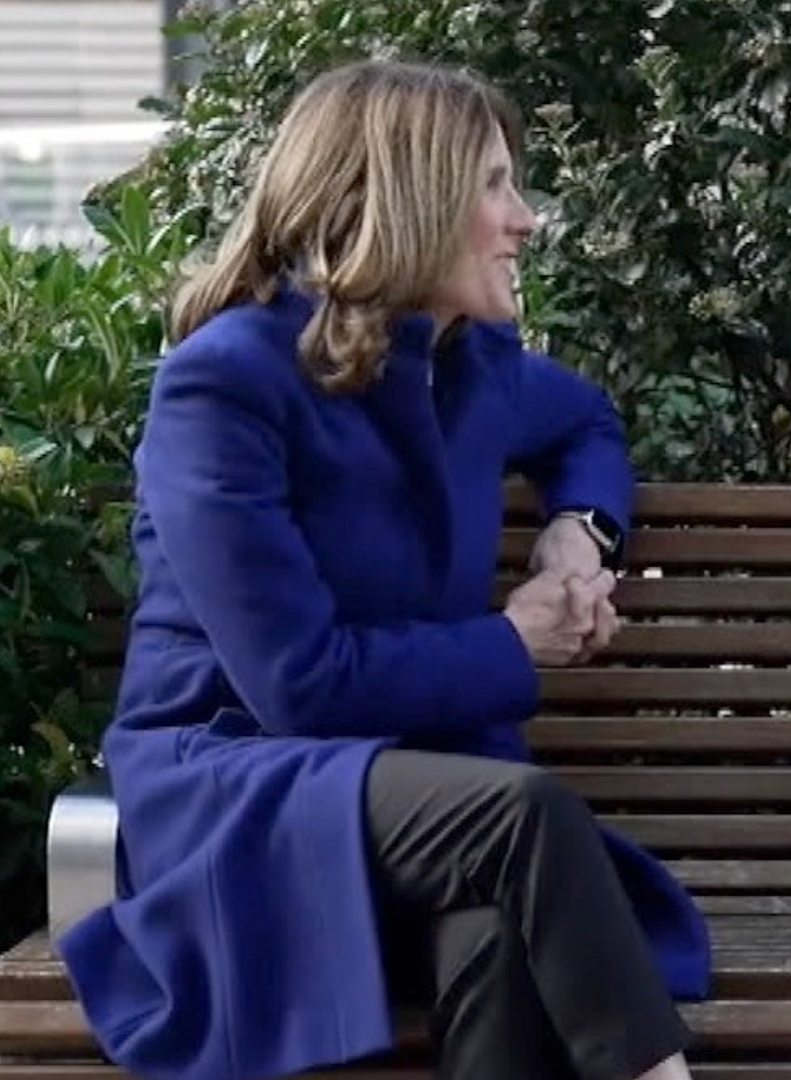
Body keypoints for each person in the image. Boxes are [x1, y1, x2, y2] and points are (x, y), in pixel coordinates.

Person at [55, 60, 710, 1080]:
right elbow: (297, 685)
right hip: (242, 787)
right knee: (521, 815)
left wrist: (580, 533)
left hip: (426, 813)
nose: (525, 219)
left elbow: (585, 421)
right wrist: (515, 641)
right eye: (496, 184)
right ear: (410, 199)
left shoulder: (469, 364)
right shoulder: (224, 386)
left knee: (497, 929)